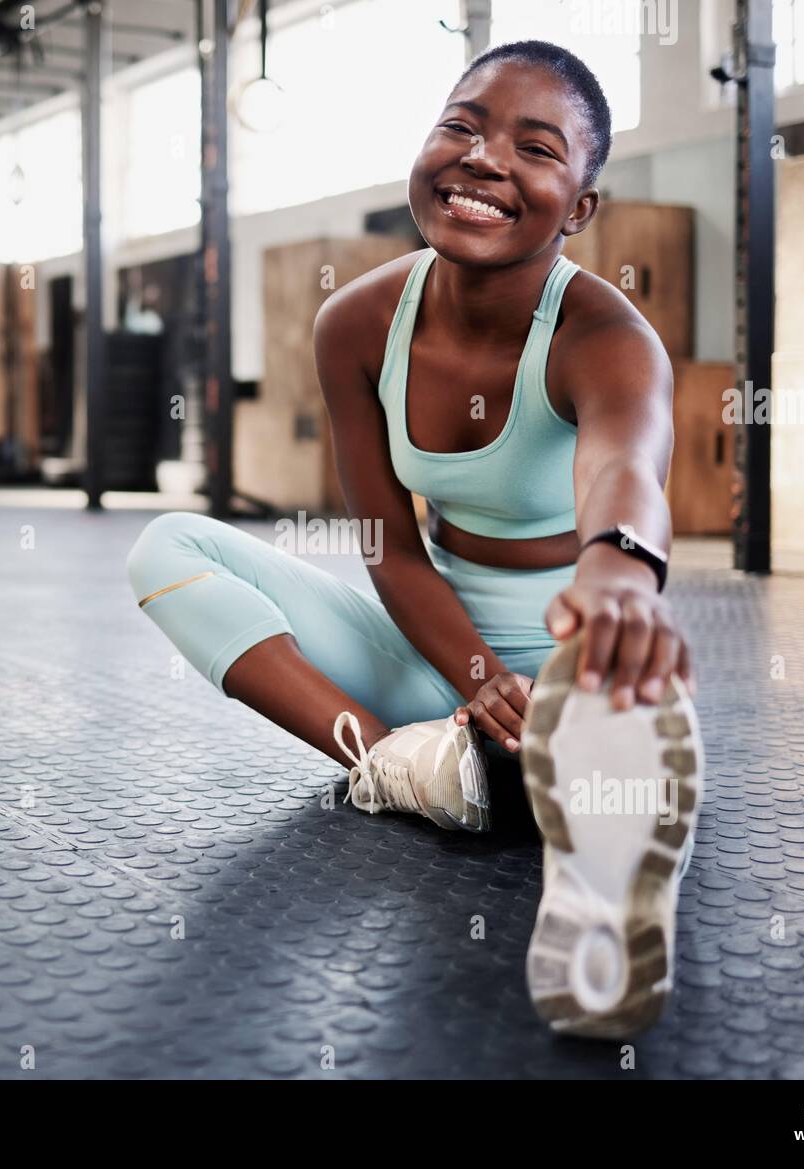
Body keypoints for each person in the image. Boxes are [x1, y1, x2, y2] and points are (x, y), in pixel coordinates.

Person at [127, 40, 703, 1038]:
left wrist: (618, 583)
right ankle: (409, 765)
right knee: (167, 547)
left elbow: (623, 471)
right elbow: (390, 545)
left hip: (582, 652)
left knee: (611, 706)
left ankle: (604, 838)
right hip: (437, 653)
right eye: (462, 126)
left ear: (577, 209)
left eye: (534, 147)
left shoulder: (604, 337)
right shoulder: (357, 322)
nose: (482, 158)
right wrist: (475, 676)